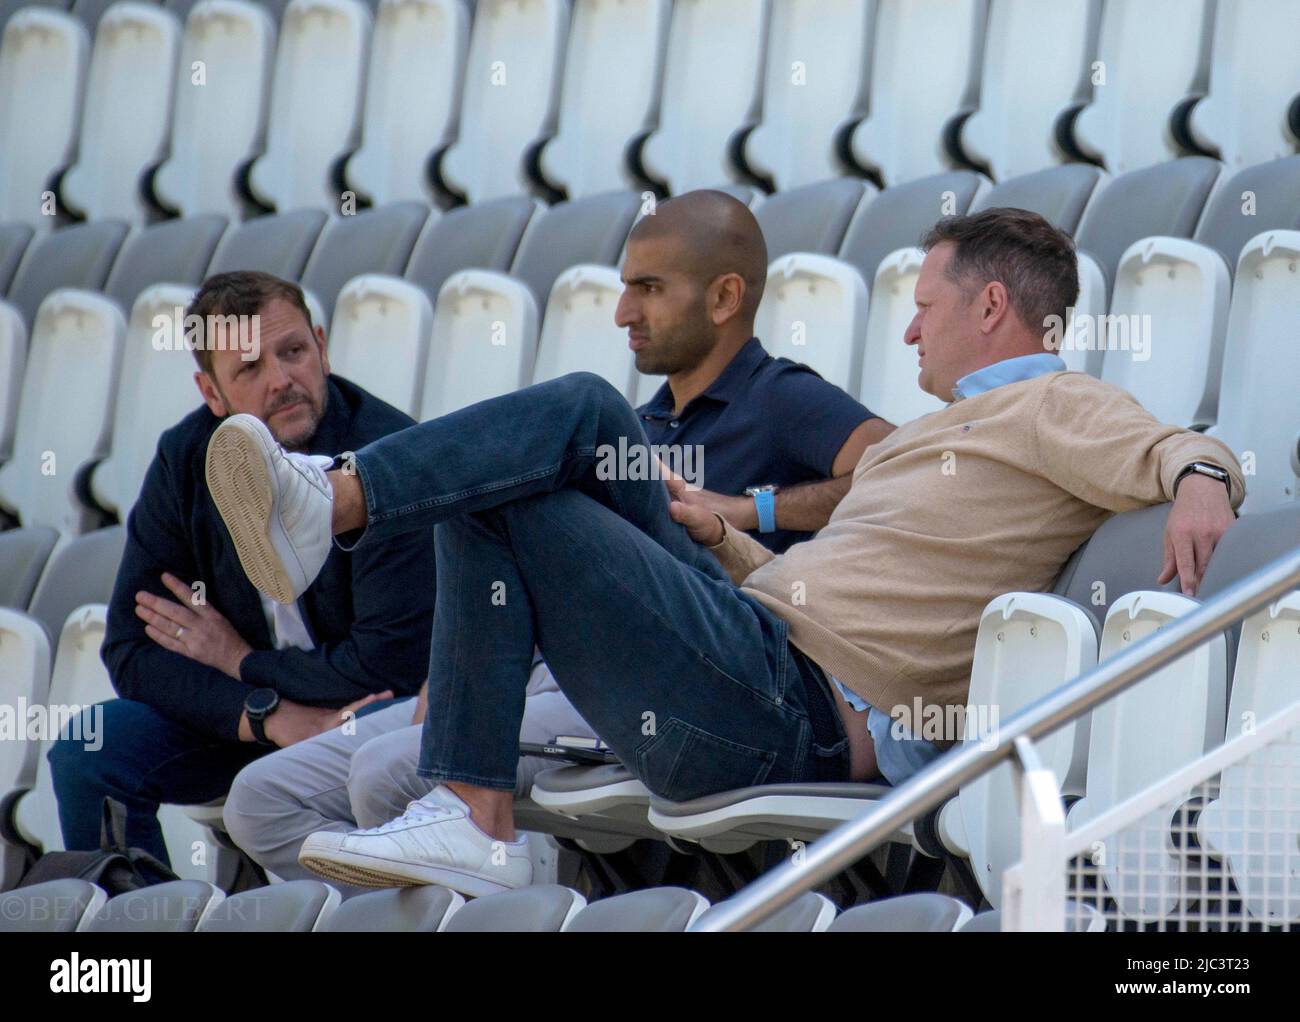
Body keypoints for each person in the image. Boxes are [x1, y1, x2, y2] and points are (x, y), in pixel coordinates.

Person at [205, 209, 1244, 897]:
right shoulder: (926, 437)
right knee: (514, 466)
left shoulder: (1050, 400)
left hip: (789, 707)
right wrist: (727, 539)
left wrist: (1204, 479)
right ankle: (471, 806)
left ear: (989, 305)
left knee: (575, 411)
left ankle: (337, 499)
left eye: (924, 310)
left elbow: (1167, 446)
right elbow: (837, 582)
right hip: (753, 639)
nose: (911, 336)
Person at [220, 190, 893, 887]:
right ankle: (332, 507)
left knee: (389, 769)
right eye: (625, 288)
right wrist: (452, 668)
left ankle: (332, 500)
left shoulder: (780, 395)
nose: (623, 312)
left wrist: (744, 510)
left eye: (648, 289)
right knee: (265, 797)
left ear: (724, 299)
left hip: (706, 658)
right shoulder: (648, 419)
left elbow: (895, 474)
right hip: (576, 657)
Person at [47, 271, 437, 866]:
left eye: (294, 352)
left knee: (373, 741)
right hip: (255, 722)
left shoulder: (389, 454)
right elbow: (132, 652)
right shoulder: (185, 459)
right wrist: (269, 717)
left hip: (370, 717)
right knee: (88, 747)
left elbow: (386, 662)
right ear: (212, 393)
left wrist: (239, 661)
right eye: (250, 369)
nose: (282, 381)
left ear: (323, 347)